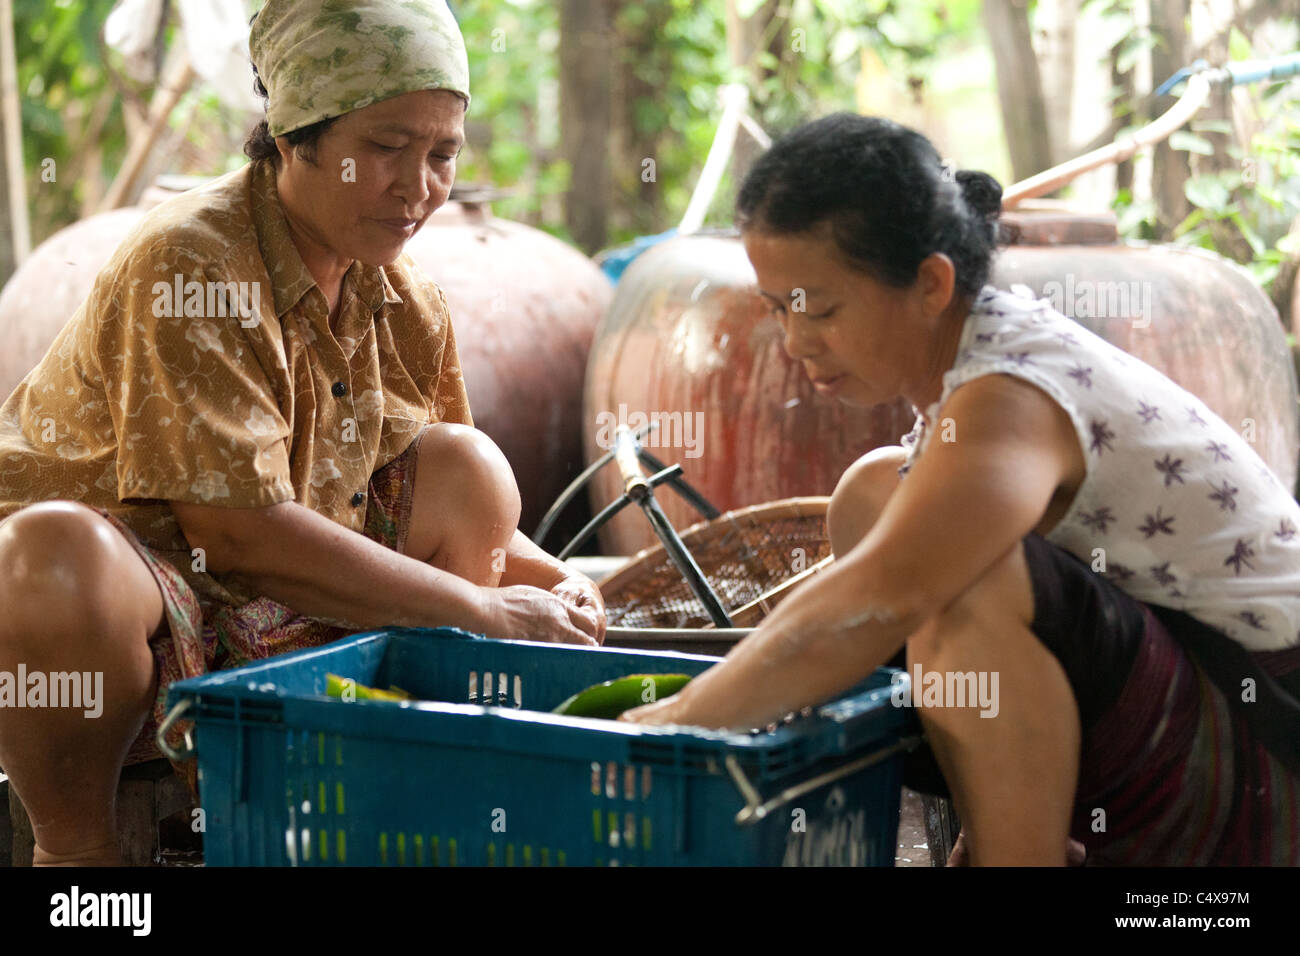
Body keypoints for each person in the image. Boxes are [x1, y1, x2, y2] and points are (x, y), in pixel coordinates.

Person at [0, 0, 604, 866]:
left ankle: (389, 802)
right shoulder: (190, 264)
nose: (419, 186)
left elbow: (472, 524)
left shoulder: (404, 296)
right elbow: (234, 534)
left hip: (271, 614)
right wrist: (482, 611)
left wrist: (560, 585)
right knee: (52, 554)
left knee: (469, 469)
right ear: (292, 137)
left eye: (442, 155)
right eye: (385, 147)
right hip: (118, 620)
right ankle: (75, 857)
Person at [621, 113, 1300, 866]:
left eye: (822, 309)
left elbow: (884, 597)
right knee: (875, 494)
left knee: (958, 580)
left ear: (932, 284)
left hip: (1269, 750)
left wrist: (671, 722)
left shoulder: (1011, 392)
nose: (797, 341)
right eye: (780, 309)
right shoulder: (974, 362)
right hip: (1187, 702)